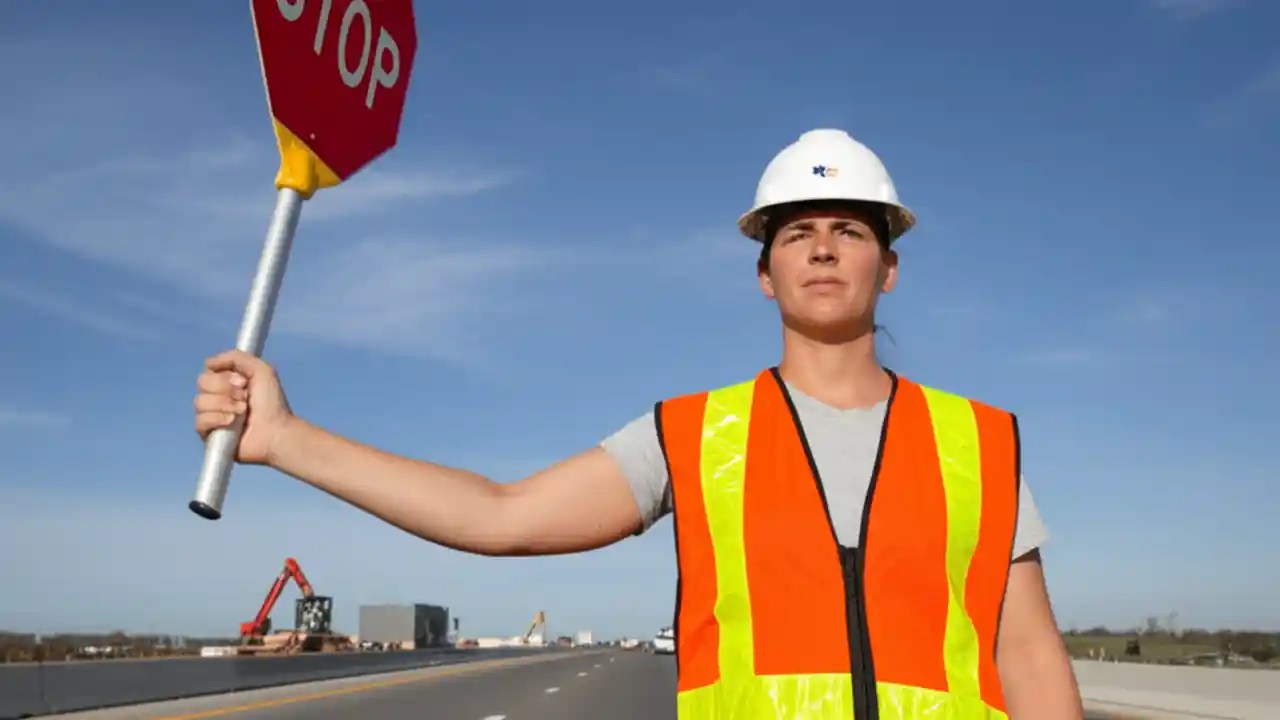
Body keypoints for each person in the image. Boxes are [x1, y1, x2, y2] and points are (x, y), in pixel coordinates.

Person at [193, 128, 1084, 719]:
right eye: (797, 231)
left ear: (888, 268)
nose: (822, 246)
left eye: (849, 230)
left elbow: (1029, 652)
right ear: (764, 276)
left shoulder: (977, 442)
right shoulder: (695, 436)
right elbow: (502, 515)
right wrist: (287, 440)